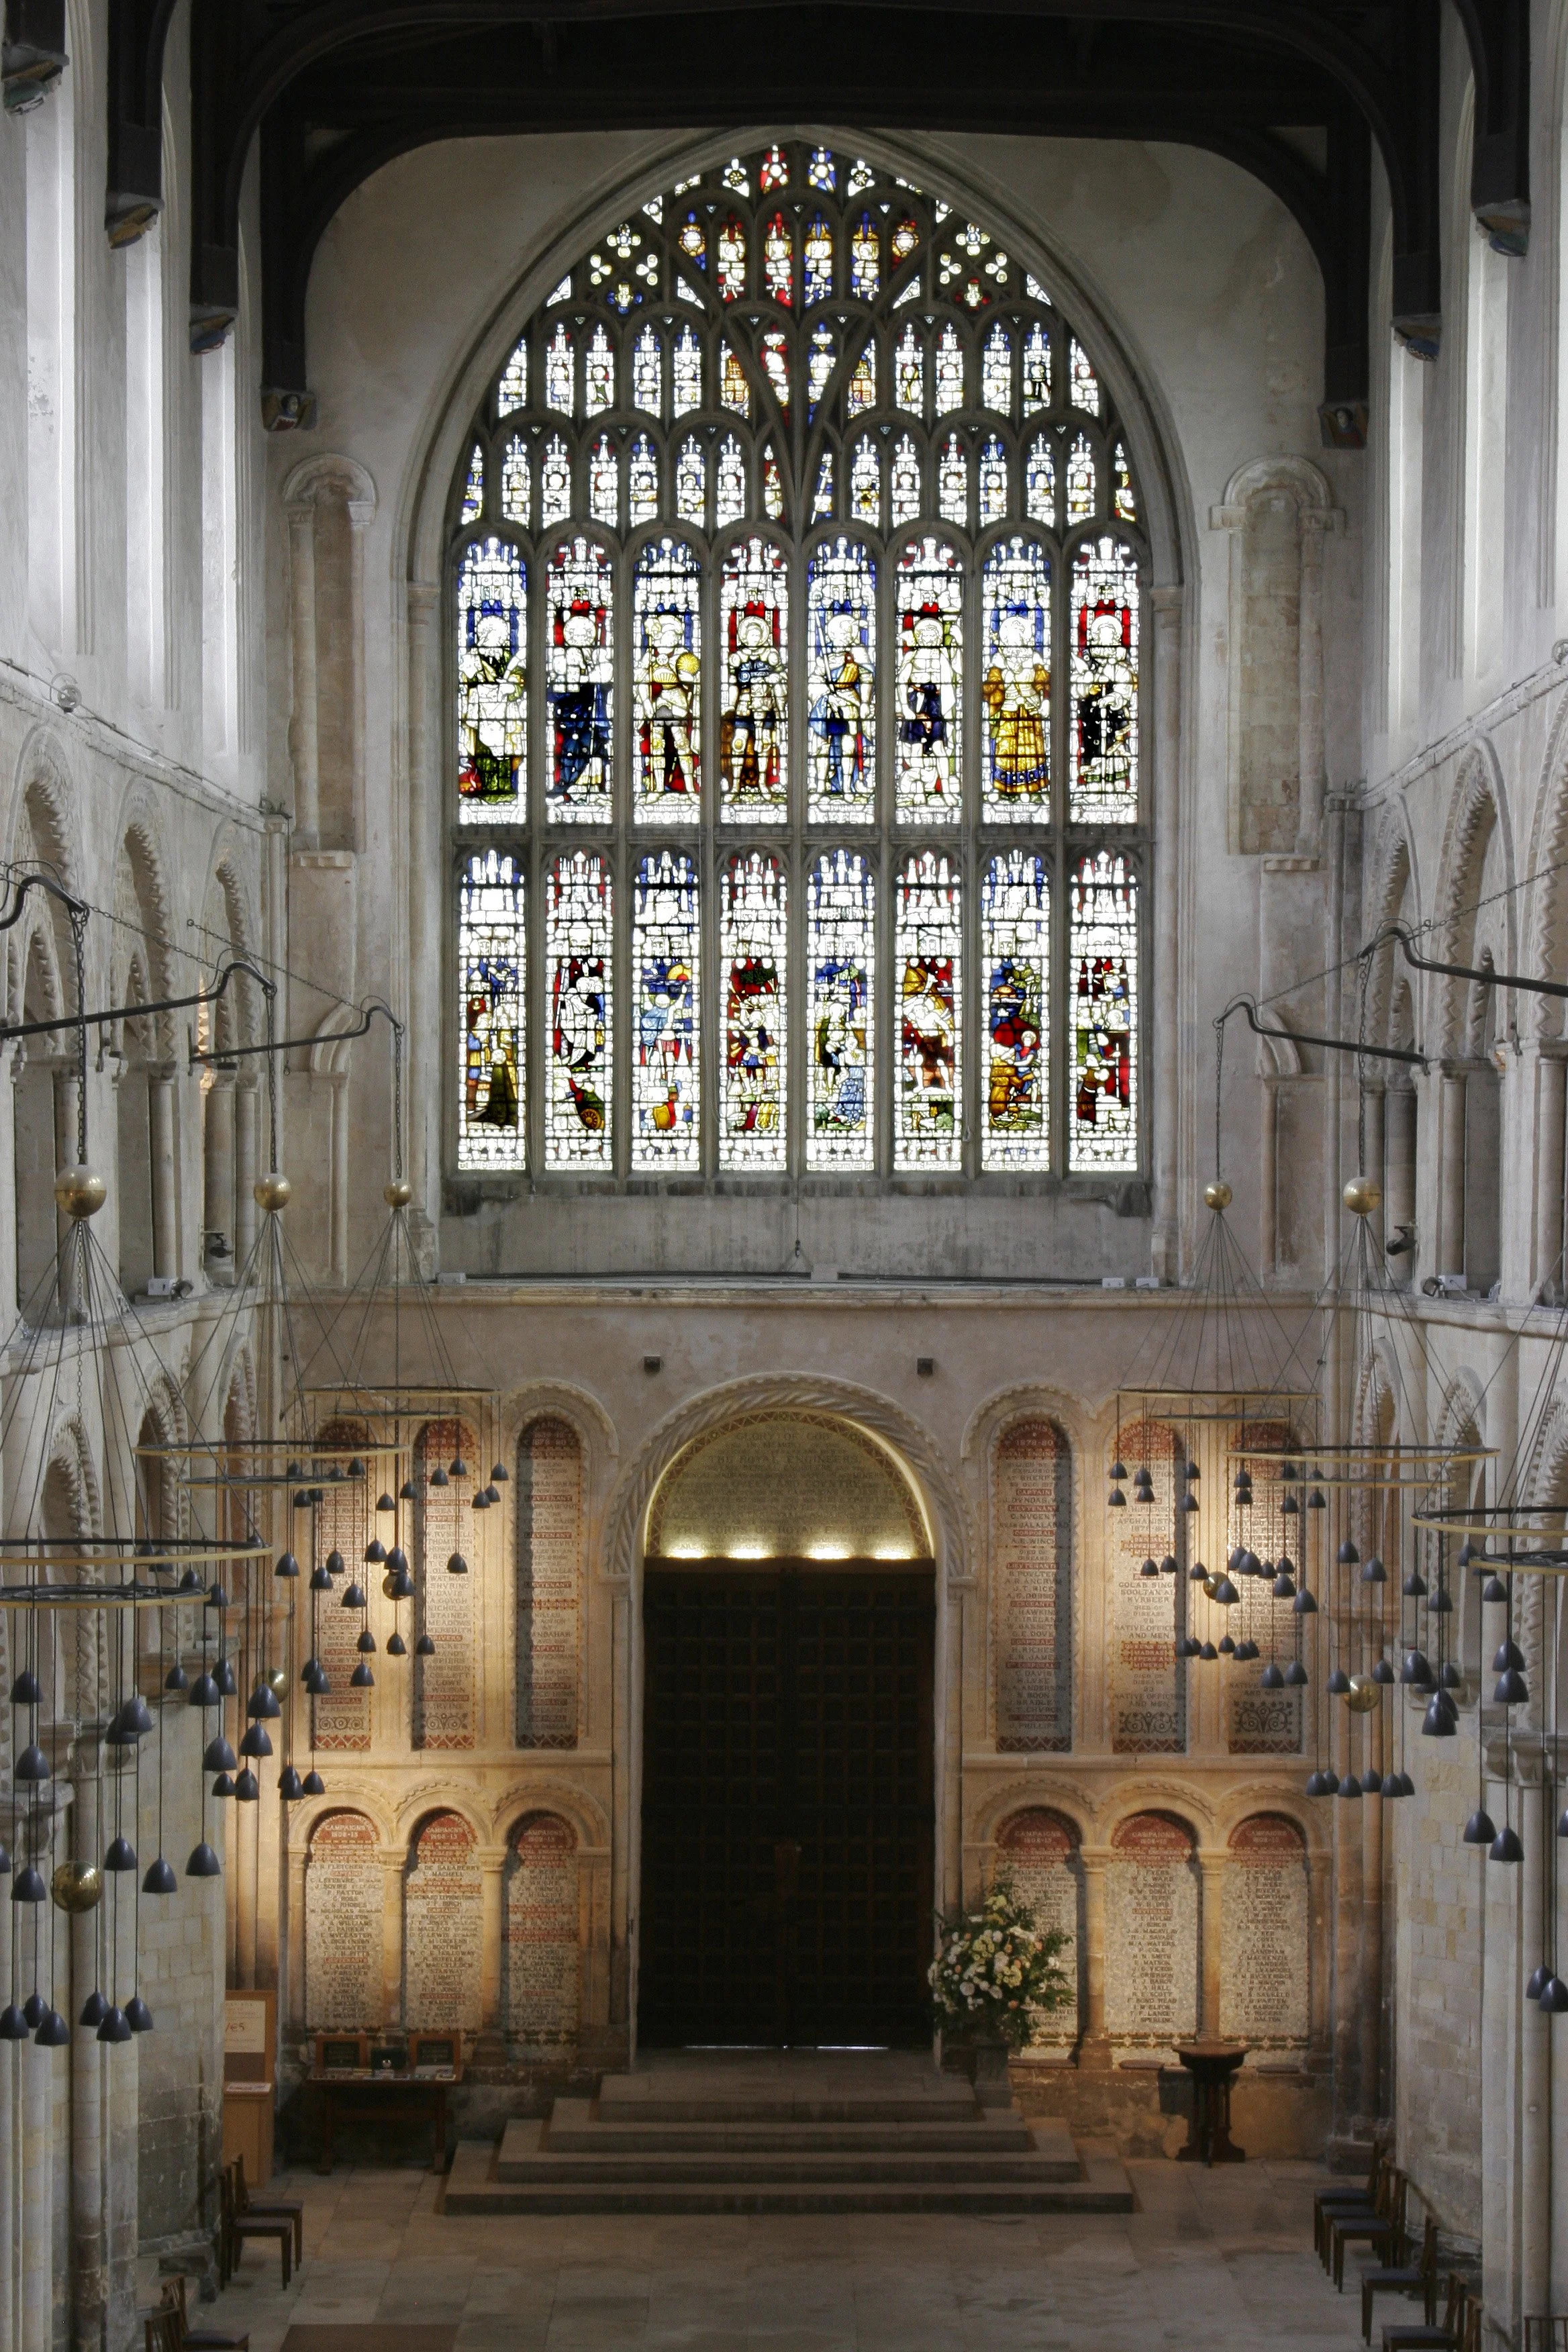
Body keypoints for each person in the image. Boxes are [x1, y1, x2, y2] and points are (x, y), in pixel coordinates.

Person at [982, 601, 1049, 801]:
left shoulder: (1034, 658)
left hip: (1030, 710)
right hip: (1009, 709)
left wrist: (1046, 700)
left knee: (1030, 750)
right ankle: (1003, 788)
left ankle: (1031, 787)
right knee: (1006, 749)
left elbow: (1043, 682)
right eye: (1011, 637)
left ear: (1025, 638)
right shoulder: (999, 659)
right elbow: (992, 685)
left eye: (1019, 636)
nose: (1015, 640)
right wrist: (1001, 679)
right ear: (1005, 639)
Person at [722, 599, 787, 806]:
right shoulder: (738, 659)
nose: (754, 638)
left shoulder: (771, 657)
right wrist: (730, 704)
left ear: (763, 637)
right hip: (744, 704)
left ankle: (763, 785)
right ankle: (735, 786)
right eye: (750, 635)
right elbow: (732, 683)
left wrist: (775, 679)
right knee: (738, 744)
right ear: (744, 637)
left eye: (758, 635)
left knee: (764, 745)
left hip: (765, 705)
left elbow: (783, 678)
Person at [457, 607, 526, 803]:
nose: (497, 641)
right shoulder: (474, 659)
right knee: (485, 754)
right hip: (482, 714)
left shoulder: (507, 659)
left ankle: (505, 790)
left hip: (505, 716)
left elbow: (519, 679)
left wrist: (511, 688)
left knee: (505, 754)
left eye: (500, 637)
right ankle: (486, 791)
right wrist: (479, 685)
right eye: (492, 636)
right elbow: (466, 681)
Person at [636, 605, 699, 801]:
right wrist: (646, 702)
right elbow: (641, 680)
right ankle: (657, 788)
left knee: (682, 744)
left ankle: (690, 789)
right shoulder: (651, 656)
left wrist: (680, 672)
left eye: (674, 635)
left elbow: (692, 679)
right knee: (657, 746)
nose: (671, 639)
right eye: (666, 635)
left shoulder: (683, 656)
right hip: (659, 703)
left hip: (677, 701)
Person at [809, 599, 869, 801]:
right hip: (826, 705)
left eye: (848, 634)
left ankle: (847, 787)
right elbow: (814, 681)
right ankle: (820, 786)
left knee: (848, 747)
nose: (844, 637)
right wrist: (827, 694)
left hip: (849, 702)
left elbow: (867, 679)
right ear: (831, 636)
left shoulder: (857, 657)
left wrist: (865, 703)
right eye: (840, 634)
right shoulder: (824, 660)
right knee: (822, 746)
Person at [898, 601, 958, 805]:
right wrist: (905, 708)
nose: (930, 638)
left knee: (940, 748)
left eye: (934, 635)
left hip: (936, 704)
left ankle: (947, 790)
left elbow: (958, 670)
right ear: (919, 637)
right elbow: (901, 681)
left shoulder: (943, 655)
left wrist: (958, 641)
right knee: (916, 749)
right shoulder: (912, 656)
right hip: (917, 704)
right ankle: (919, 790)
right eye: (926, 635)